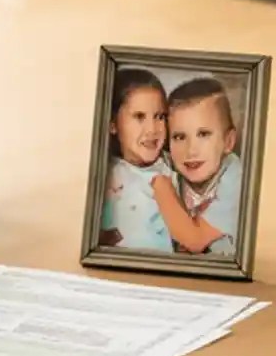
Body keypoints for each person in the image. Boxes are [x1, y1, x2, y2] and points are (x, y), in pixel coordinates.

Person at [151, 77, 243, 255]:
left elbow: (194, 240)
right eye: (179, 137)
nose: (191, 150)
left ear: (228, 141)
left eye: (203, 134)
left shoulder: (236, 175)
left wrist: (162, 189)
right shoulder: (170, 166)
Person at [100, 68, 173, 251]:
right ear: (113, 124)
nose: (152, 129)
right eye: (139, 116)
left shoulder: (175, 172)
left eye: (159, 117)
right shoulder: (105, 174)